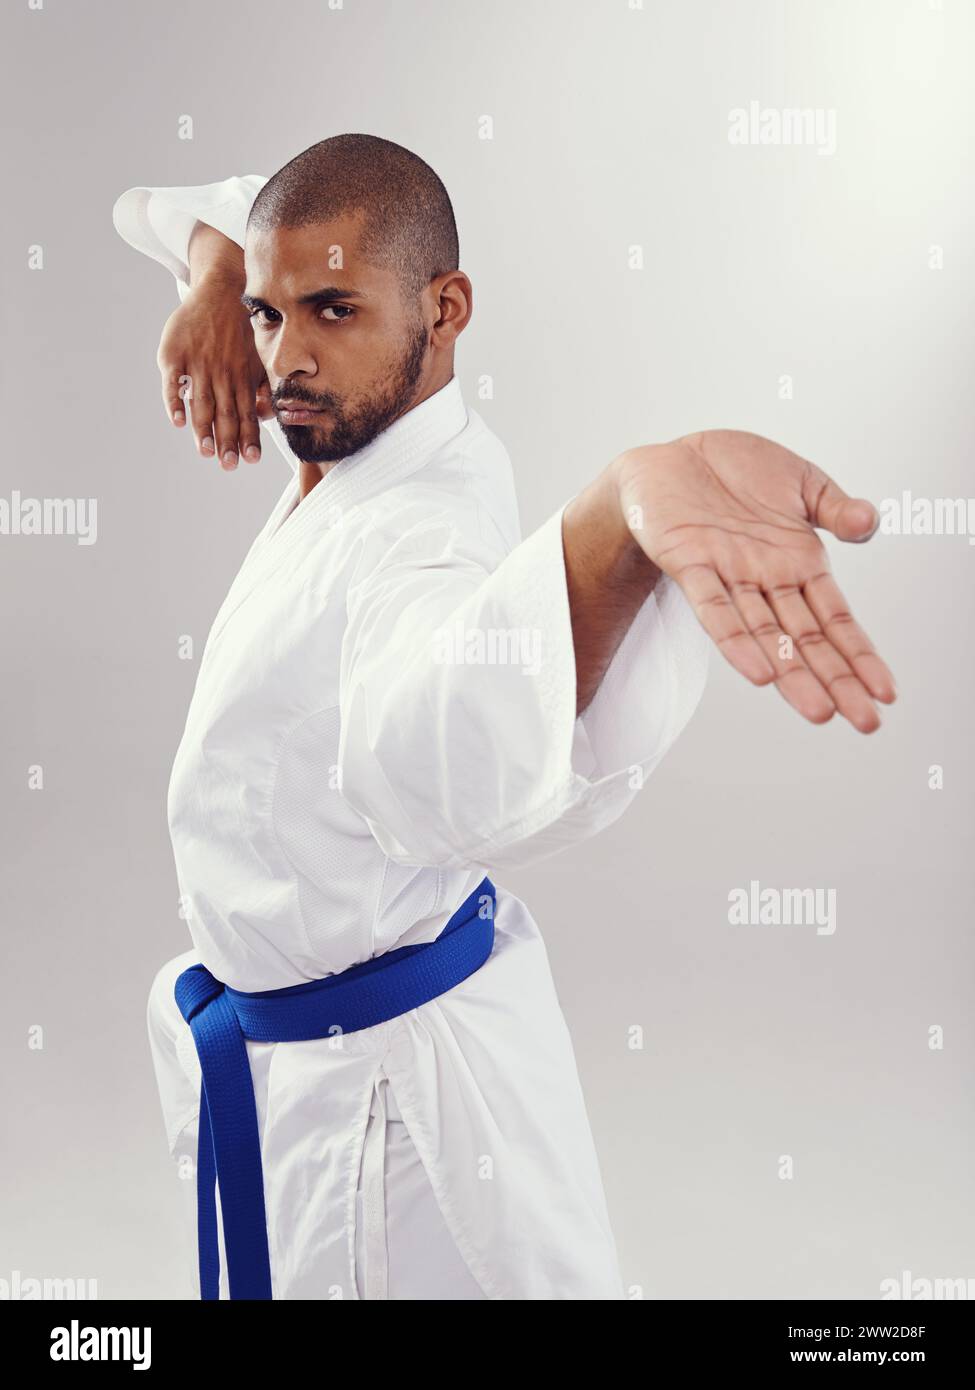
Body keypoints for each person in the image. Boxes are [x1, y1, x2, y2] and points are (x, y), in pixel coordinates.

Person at [112, 133, 896, 1301]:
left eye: (332, 311)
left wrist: (611, 526)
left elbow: (434, 742)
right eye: (273, 320)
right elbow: (155, 201)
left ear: (447, 306)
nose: (289, 360)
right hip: (308, 1076)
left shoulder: (423, 523)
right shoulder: (354, 440)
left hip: (388, 1129)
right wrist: (218, 275)